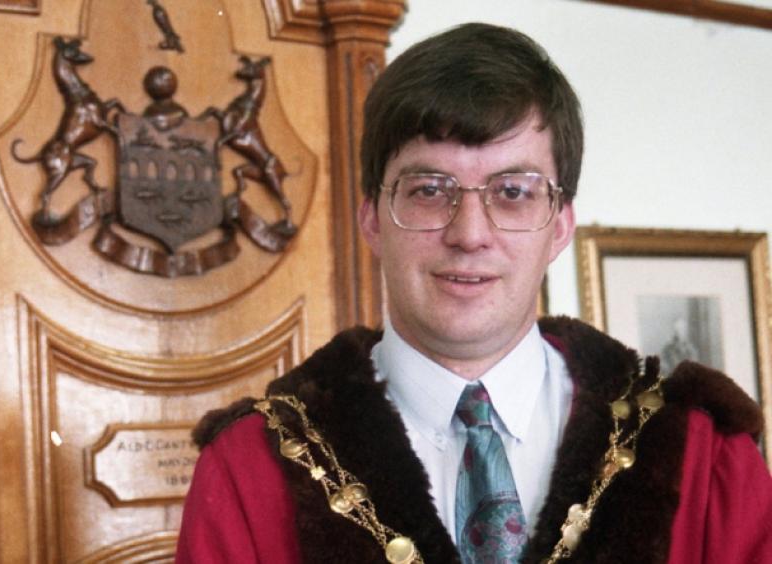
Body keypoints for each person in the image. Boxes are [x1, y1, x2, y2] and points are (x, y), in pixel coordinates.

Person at [176, 23, 772, 564]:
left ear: (559, 225)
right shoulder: (251, 469)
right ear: (372, 219)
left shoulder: (700, 454)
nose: (469, 233)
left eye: (512, 191)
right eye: (430, 189)